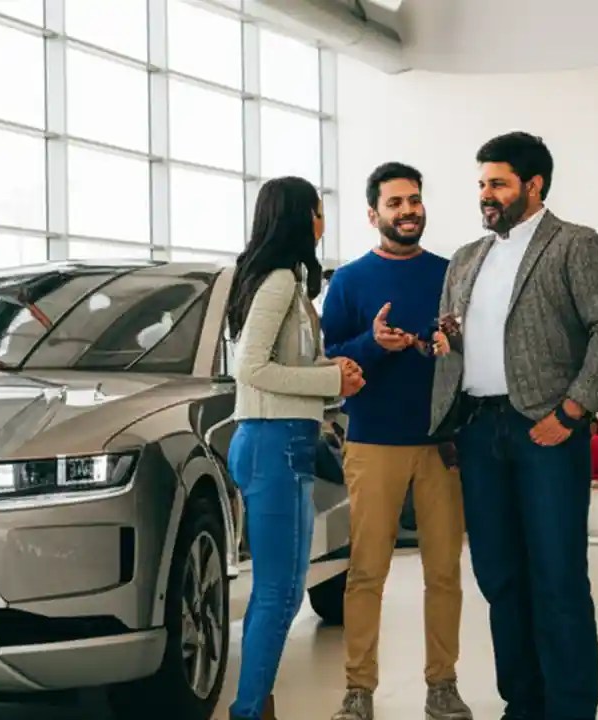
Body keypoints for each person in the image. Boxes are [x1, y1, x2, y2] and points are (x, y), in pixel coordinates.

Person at [430, 132, 598, 720]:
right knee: (499, 578)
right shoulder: (466, 259)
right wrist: (448, 416)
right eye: (481, 184)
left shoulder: (576, 245)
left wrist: (572, 411)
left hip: (546, 432)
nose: (485, 195)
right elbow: (454, 343)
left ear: (534, 185)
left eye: (497, 183)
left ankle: (569, 710)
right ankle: (523, 706)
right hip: (479, 432)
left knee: (557, 579)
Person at [320, 162, 472, 720]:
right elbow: (330, 360)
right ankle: (358, 689)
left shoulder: (450, 273)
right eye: (395, 203)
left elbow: (472, 348)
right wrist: (374, 342)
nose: (408, 210)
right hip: (373, 443)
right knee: (366, 571)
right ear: (373, 214)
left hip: (442, 443)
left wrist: (449, 344)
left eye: (414, 200)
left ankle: (442, 684)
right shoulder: (349, 281)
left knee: (444, 572)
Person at [225, 176, 364, 720]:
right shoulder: (279, 281)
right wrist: (331, 380)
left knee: (281, 590)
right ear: (301, 217)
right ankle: (249, 711)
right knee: (279, 593)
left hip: (283, 441)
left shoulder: (285, 282)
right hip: (273, 444)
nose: (323, 220)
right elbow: (252, 368)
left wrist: (334, 374)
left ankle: (256, 706)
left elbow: (286, 367)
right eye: (318, 210)